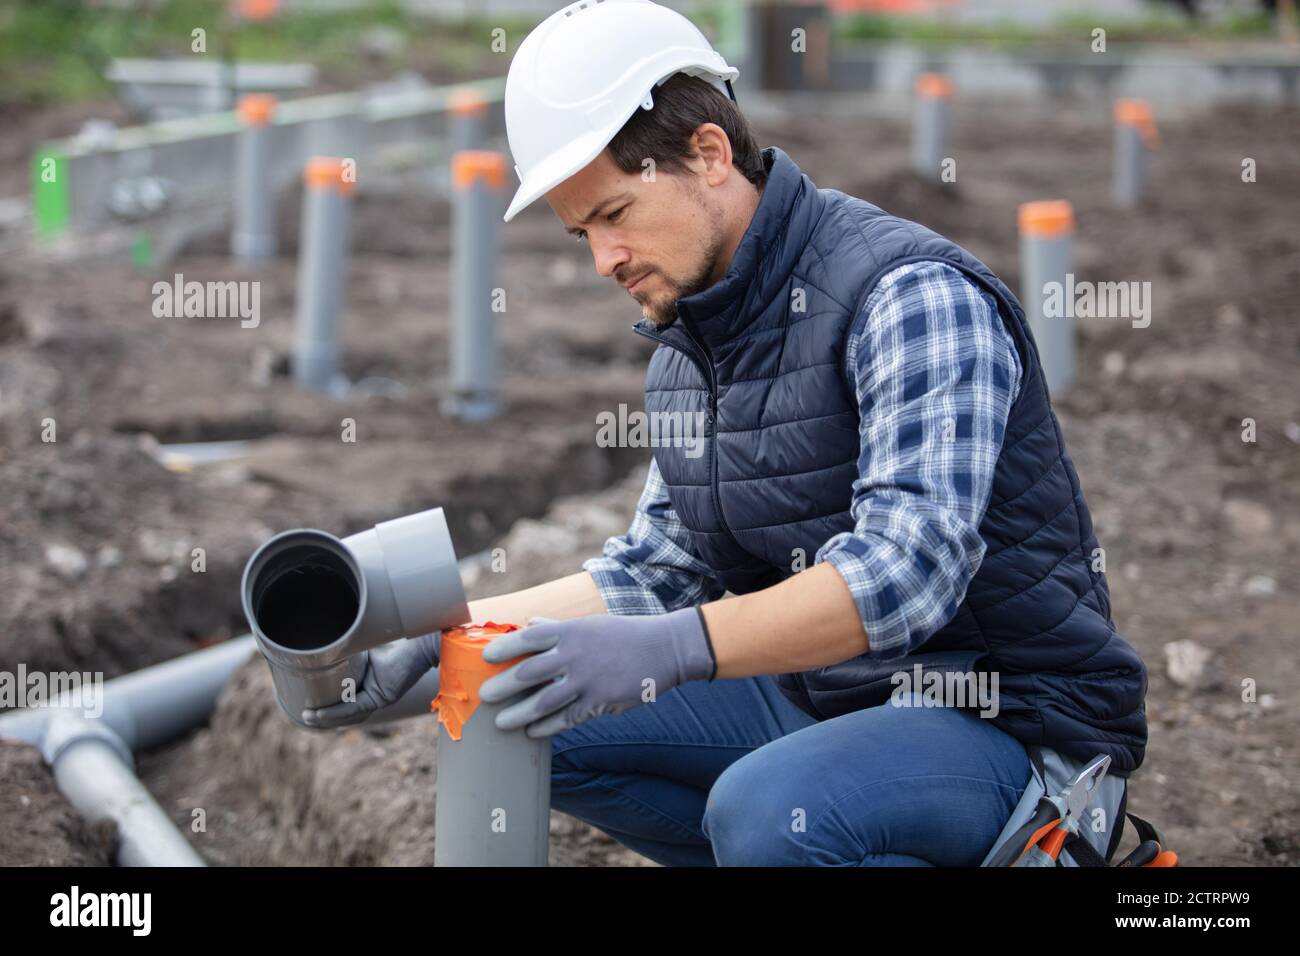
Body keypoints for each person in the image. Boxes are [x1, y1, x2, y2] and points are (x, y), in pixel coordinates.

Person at [306, 0, 1147, 867]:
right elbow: (655, 572)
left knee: (768, 808)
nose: (604, 260)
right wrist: (444, 638)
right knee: (509, 702)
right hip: (827, 705)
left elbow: (906, 574)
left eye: (617, 213)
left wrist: (676, 650)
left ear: (708, 154)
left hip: (1006, 724)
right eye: (582, 232)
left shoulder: (907, 295)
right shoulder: (689, 349)